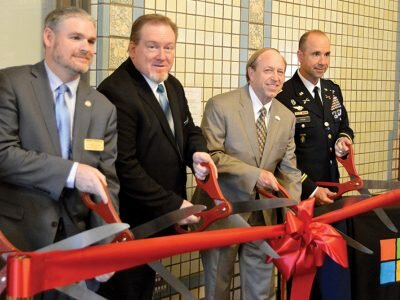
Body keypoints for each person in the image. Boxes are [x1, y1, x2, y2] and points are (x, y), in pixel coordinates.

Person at [0, 6, 119, 299]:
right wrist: (72, 173)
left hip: (76, 249)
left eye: (91, 41)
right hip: (17, 244)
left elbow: (108, 184)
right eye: (76, 37)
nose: (85, 48)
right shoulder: (11, 84)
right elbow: (3, 154)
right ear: (49, 37)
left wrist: (105, 246)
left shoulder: (103, 107)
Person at [96, 14, 216, 300]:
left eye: (169, 47)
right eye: (153, 47)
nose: (163, 56)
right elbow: (124, 166)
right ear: (132, 48)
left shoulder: (171, 85)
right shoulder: (116, 92)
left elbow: (189, 129)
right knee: (127, 292)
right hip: (131, 222)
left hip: (158, 221)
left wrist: (197, 152)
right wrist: (175, 205)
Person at [192, 48, 302, 300]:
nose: (275, 77)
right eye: (268, 70)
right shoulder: (221, 105)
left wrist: (292, 209)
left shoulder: (286, 117)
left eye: (280, 71)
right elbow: (212, 156)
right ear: (250, 73)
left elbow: (289, 169)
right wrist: (256, 175)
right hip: (222, 213)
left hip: (264, 217)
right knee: (218, 288)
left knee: (262, 291)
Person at [276, 30, 354, 300]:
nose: (323, 61)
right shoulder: (284, 95)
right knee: (303, 272)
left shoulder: (332, 90)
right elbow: (281, 157)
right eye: (316, 54)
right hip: (302, 199)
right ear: (300, 56)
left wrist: (343, 140)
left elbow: (343, 126)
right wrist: (309, 189)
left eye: (327, 54)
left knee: (334, 269)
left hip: (332, 195)